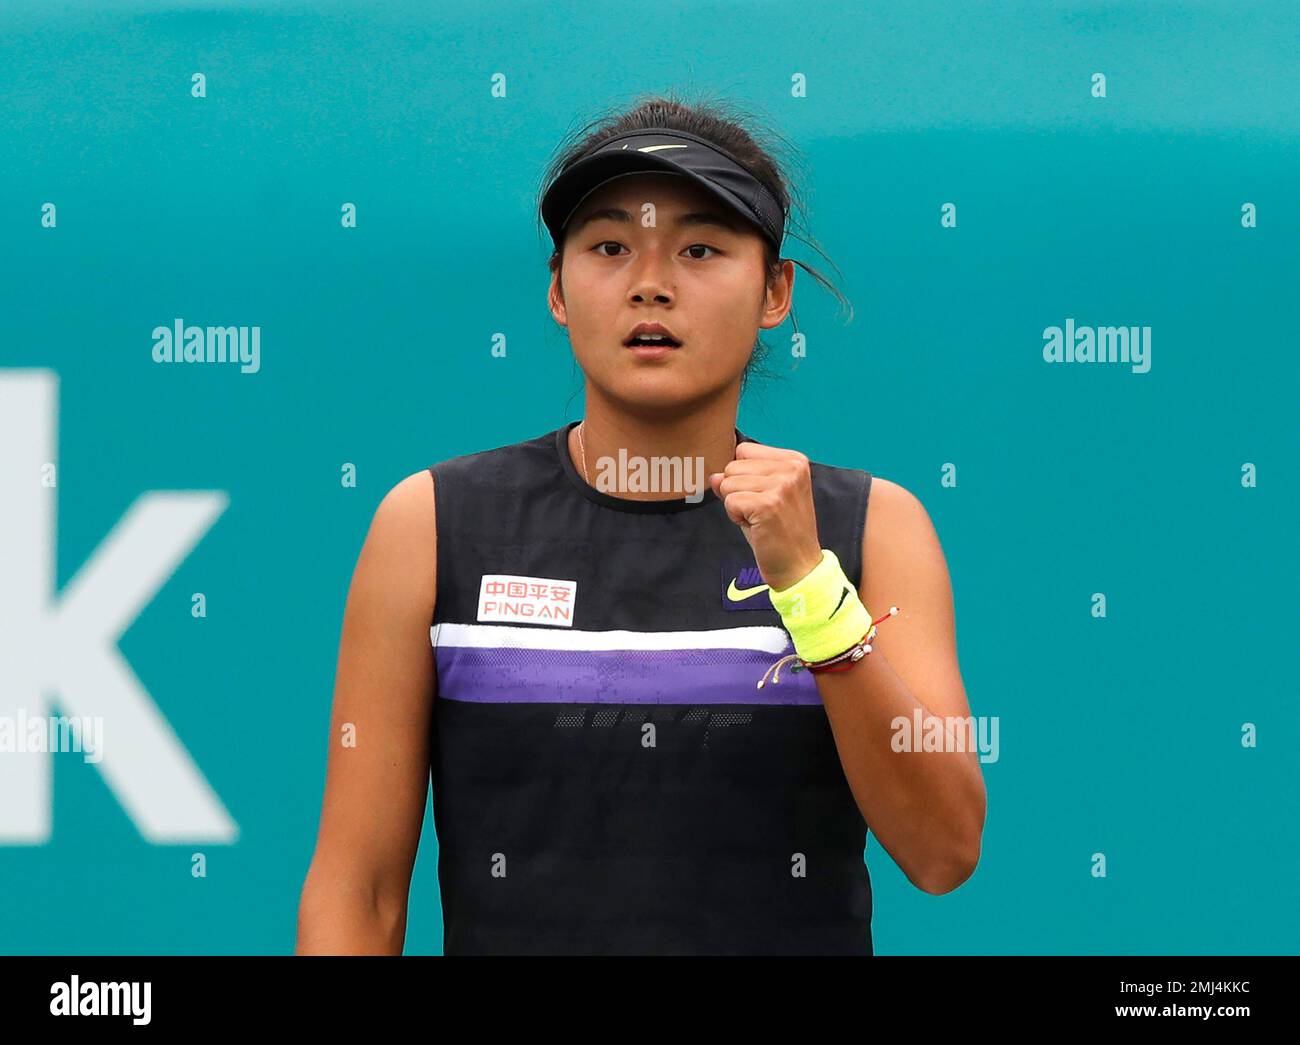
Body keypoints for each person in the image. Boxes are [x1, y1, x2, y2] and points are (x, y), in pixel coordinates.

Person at [296, 95, 986, 956]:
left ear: (776, 290)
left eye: (700, 248)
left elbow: (945, 849)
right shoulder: (431, 522)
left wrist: (810, 589)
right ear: (557, 289)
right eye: (609, 247)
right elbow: (358, 893)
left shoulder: (874, 527)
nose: (649, 282)